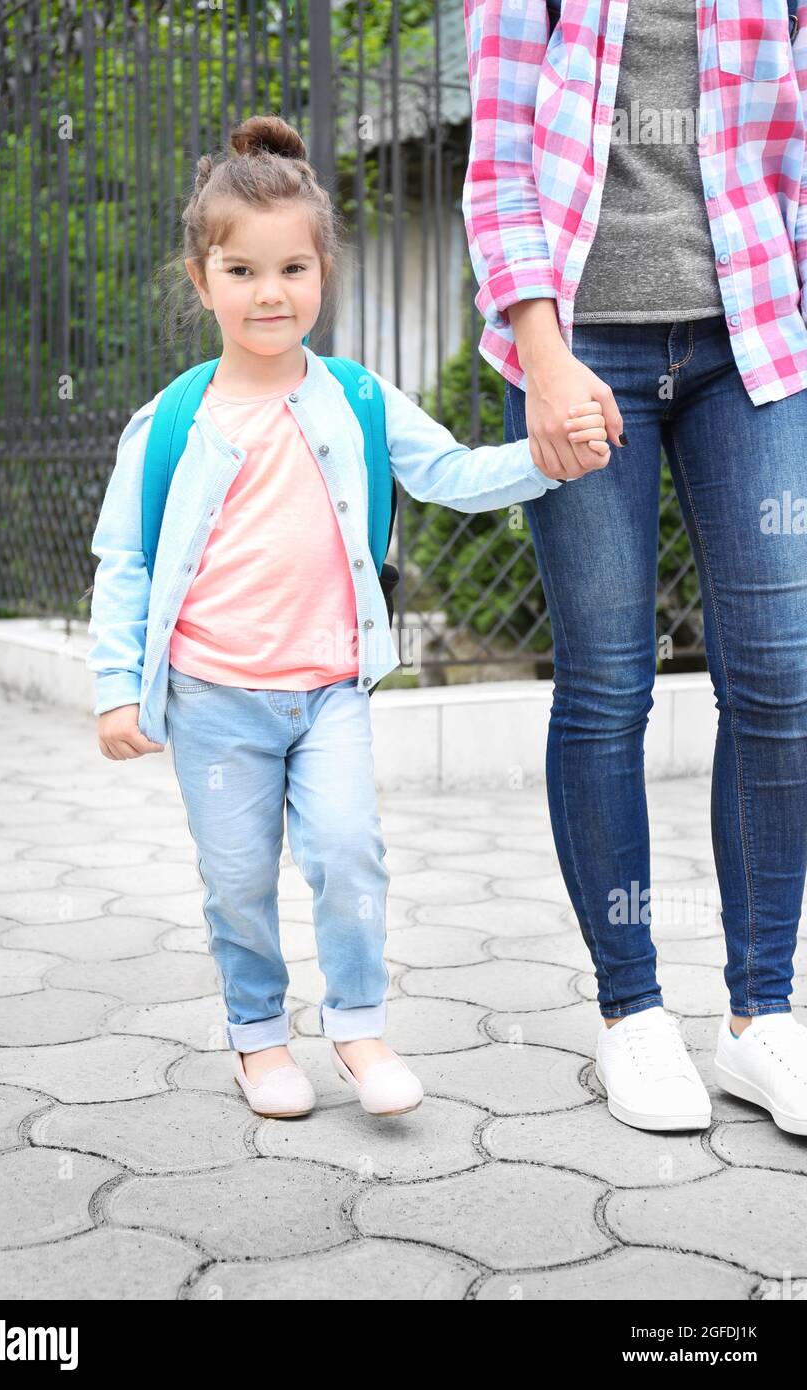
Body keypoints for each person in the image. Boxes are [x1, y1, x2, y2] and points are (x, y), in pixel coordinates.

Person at [87, 113, 610, 1121]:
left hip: (328, 691)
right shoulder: (169, 424)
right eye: (240, 271)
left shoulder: (358, 401)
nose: (268, 292)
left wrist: (544, 461)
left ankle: (360, 1026)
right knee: (237, 880)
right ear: (201, 281)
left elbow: (452, 473)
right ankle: (258, 1041)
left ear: (322, 274)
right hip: (211, 700)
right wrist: (118, 690)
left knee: (349, 854)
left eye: (291, 268)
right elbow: (125, 563)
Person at [463, 0, 807, 1135]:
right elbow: (502, 156)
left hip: (749, 341)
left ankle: (762, 1015)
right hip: (582, 346)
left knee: (778, 680)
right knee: (608, 682)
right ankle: (633, 1011)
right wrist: (543, 356)